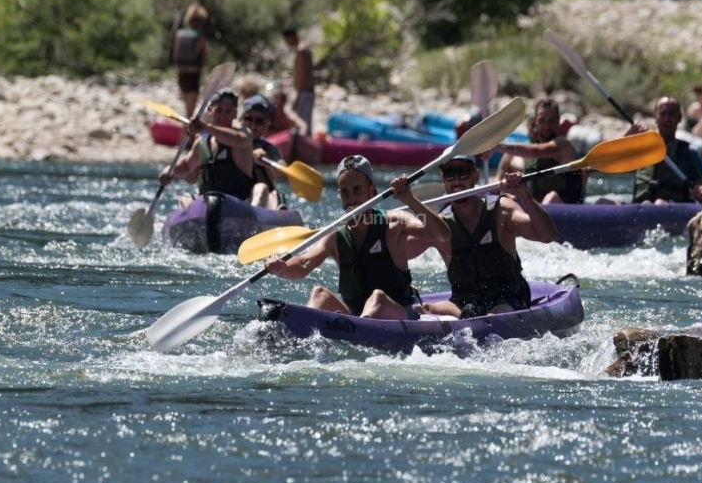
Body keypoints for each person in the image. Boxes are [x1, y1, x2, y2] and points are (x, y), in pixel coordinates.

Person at [264, 155, 451, 320]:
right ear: (339, 195)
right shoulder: (335, 236)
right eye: (345, 192)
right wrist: (281, 267)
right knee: (319, 294)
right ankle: (305, 330)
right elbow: (304, 263)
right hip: (356, 317)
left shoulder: (395, 222)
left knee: (378, 298)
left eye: (357, 190)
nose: (351, 199)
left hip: (400, 313)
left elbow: (441, 235)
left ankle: (358, 328)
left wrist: (410, 199)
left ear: (371, 191)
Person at [406, 155, 558, 318]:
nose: (457, 181)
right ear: (443, 178)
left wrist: (523, 195)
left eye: (463, 172)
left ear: (475, 175)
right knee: (422, 310)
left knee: (492, 318)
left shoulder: (501, 210)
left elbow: (547, 235)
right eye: (450, 173)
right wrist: (405, 200)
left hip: (507, 301)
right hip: (463, 305)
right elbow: (399, 253)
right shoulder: (440, 226)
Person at [158, 88, 254, 207]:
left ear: (235, 113)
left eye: (228, 111)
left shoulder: (244, 134)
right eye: (219, 110)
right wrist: (169, 171)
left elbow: (237, 140)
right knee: (185, 199)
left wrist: (206, 127)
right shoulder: (202, 142)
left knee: (214, 203)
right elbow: (187, 165)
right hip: (209, 204)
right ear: (210, 111)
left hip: (237, 205)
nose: (223, 116)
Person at [493, 98, 585, 204]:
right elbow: (498, 181)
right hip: (535, 211)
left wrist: (498, 147)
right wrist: (497, 190)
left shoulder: (563, 146)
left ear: (558, 121)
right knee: (496, 189)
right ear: (535, 121)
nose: (547, 126)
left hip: (566, 210)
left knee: (552, 197)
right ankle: (490, 215)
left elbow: (536, 151)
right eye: (542, 120)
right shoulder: (520, 157)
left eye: (551, 121)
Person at [629, 96, 702, 205]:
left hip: (670, 210)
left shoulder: (689, 153)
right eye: (663, 114)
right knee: (604, 202)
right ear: (655, 116)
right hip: (639, 209)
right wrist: (627, 137)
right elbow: (607, 164)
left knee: (659, 203)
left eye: (671, 114)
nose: (667, 119)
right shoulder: (642, 149)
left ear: (679, 117)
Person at [238, 94, 286, 210]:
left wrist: (266, 161)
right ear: (241, 120)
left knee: (273, 195)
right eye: (249, 119)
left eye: (259, 121)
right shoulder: (231, 142)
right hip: (237, 198)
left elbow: (283, 168)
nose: (253, 125)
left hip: (263, 200)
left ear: (266, 125)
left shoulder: (268, 149)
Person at [172, 4, 209, 121]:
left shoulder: (179, 34)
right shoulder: (200, 38)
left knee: (187, 109)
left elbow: (175, 55)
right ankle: (185, 138)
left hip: (181, 75)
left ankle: (184, 137)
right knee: (190, 112)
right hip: (193, 76)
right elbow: (204, 59)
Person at [281, 26, 315, 135]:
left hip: (304, 93)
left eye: (286, 40)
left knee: (302, 126)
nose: (286, 43)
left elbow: (303, 76)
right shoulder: (305, 48)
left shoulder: (300, 51)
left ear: (291, 37)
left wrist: (298, 97)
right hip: (307, 92)